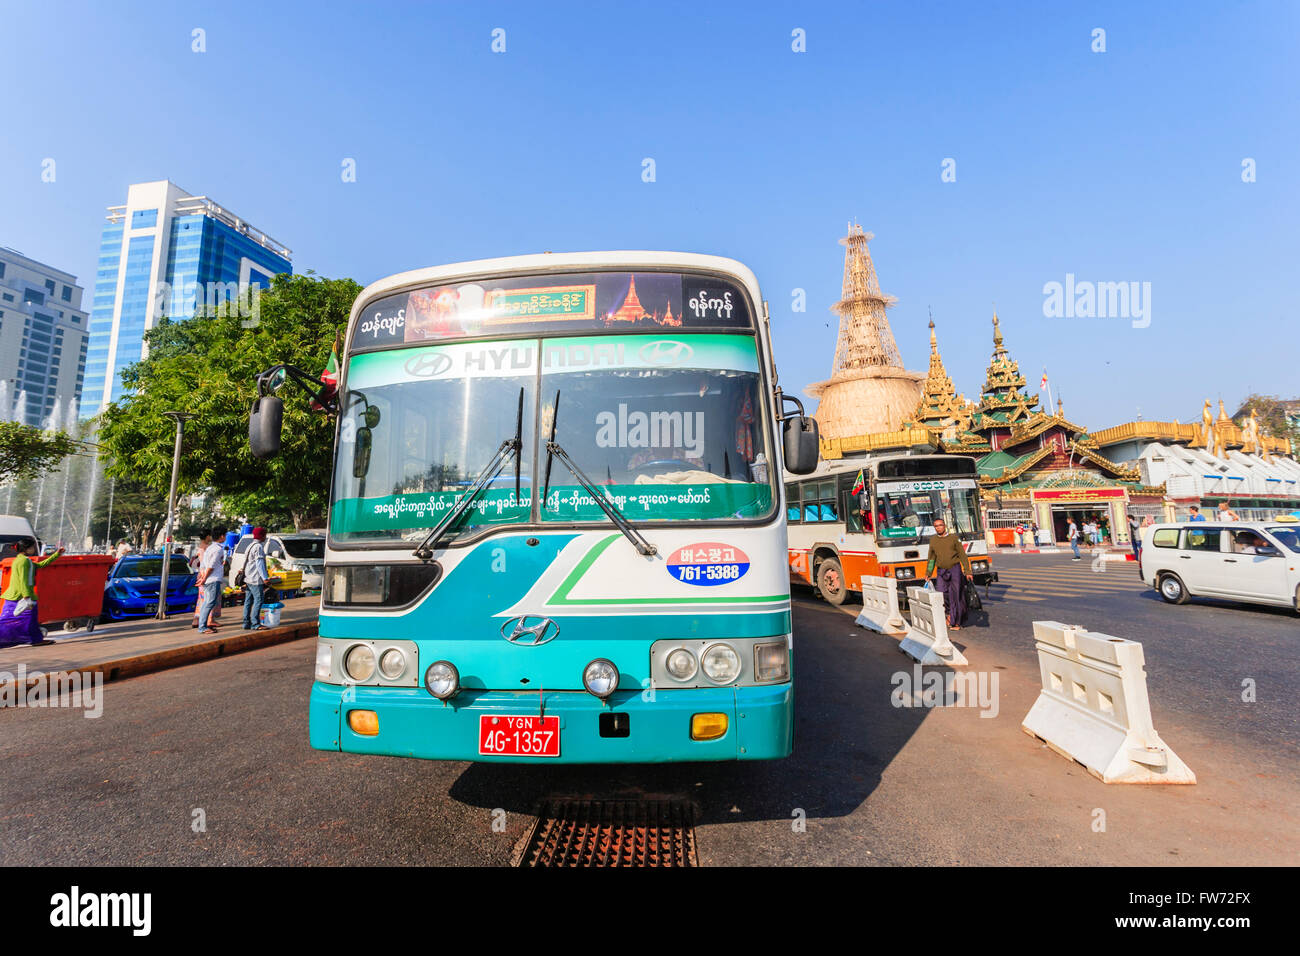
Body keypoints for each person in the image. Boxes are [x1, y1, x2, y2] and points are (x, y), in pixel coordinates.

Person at [0, 537, 64, 648]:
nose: (34, 548)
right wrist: (26, 596)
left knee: (28, 620)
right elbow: (23, 580)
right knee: (12, 621)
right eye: (33, 547)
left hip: (18, 596)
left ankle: (36, 639)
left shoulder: (24, 560)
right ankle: (35, 639)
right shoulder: (23, 561)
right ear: (26, 548)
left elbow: (40, 565)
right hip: (19, 597)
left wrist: (57, 554)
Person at [925, 517, 973, 630]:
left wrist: (967, 571)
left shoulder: (953, 538)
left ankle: (955, 621)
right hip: (941, 571)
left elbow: (962, 555)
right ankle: (949, 613)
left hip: (954, 570)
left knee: (956, 595)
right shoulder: (933, 540)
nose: (938, 527)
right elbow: (931, 558)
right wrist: (928, 572)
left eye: (940, 525)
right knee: (942, 594)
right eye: (936, 526)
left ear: (944, 526)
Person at [195, 529, 225, 634]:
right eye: (224, 535)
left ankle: (203, 625)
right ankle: (202, 627)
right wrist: (204, 578)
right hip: (213, 579)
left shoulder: (210, 548)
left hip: (208, 579)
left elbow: (203, 565)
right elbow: (211, 566)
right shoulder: (218, 549)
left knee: (206, 603)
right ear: (221, 536)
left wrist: (203, 577)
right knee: (209, 603)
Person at [242, 527, 270, 631]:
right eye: (265, 535)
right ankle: (255, 623)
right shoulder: (258, 547)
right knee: (258, 600)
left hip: (248, 578)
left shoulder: (250, 545)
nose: (265, 537)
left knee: (248, 601)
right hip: (255, 578)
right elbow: (260, 564)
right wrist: (265, 578)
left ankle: (246, 623)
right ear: (262, 536)